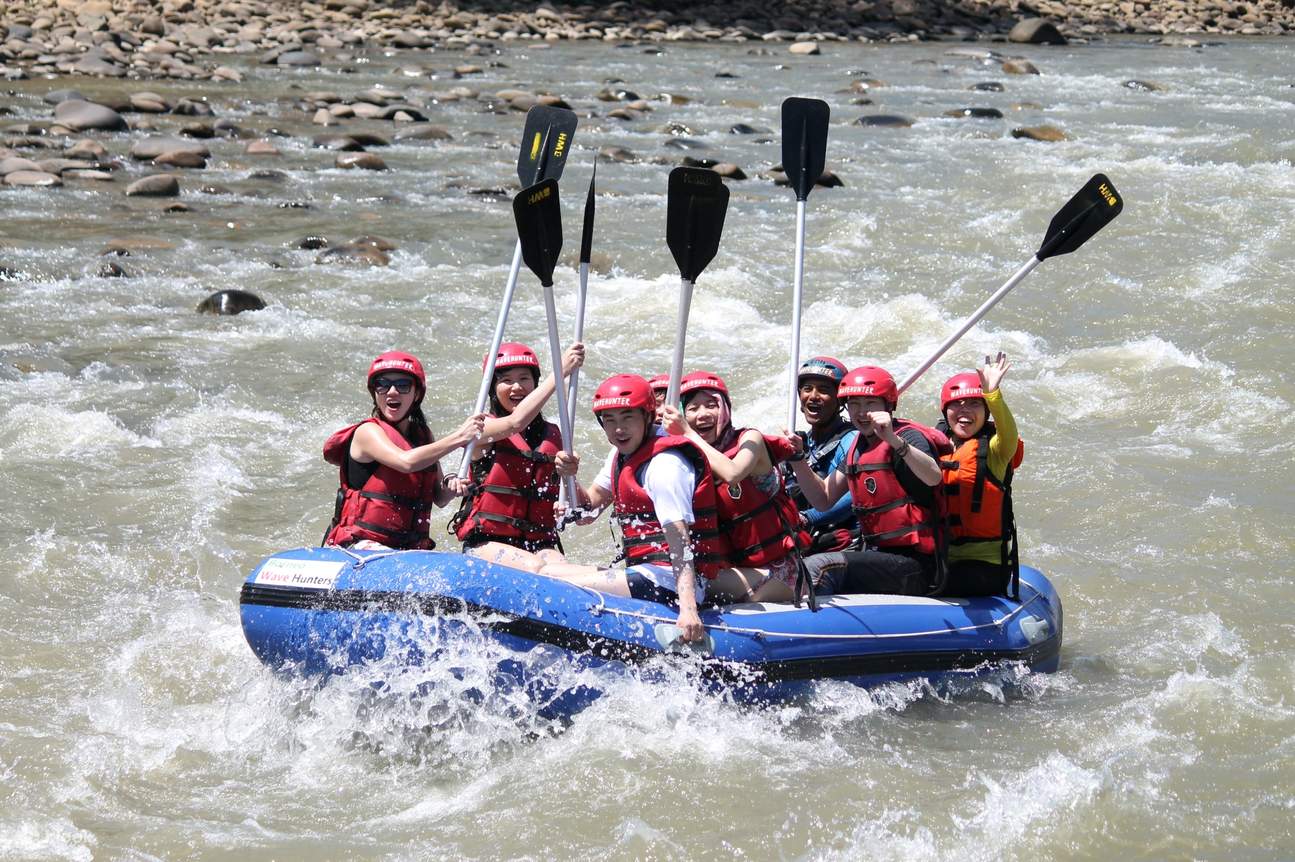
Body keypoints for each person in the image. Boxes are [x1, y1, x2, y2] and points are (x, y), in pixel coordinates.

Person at [538, 374, 730, 642]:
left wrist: (688, 610)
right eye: (610, 420)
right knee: (542, 570)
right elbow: (588, 511)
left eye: (627, 417)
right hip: (645, 573)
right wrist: (569, 477)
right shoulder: (621, 454)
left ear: (648, 416)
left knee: (550, 582)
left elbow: (680, 539)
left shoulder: (665, 465)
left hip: (672, 581)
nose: (619, 429)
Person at [787, 366, 953, 596]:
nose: (862, 412)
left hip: (917, 564)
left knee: (819, 567)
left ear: (888, 406)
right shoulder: (859, 446)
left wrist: (894, 440)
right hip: (878, 554)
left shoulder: (907, 436)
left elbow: (933, 477)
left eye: (870, 403)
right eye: (854, 404)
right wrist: (797, 458)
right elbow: (823, 499)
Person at [660, 371, 810, 603]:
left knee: (693, 586)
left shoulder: (750, 439)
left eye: (711, 405)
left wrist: (687, 433)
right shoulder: (685, 459)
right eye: (693, 408)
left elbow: (733, 473)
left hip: (779, 571)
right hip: (733, 570)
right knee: (673, 580)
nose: (703, 414)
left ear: (726, 409)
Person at [323, 351, 486, 550]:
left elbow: (440, 498)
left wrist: (452, 486)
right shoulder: (367, 432)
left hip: (406, 549)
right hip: (358, 546)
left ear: (416, 394)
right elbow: (406, 462)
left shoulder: (422, 436)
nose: (392, 392)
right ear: (374, 392)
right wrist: (460, 436)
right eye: (382, 384)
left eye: (403, 385)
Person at [450, 341, 585, 572]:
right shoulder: (481, 429)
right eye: (506, 380)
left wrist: (568, 476)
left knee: (565, 569)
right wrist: (560, 372)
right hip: (486, 543)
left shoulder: (553, 434)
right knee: (535, 567)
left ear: (534, 383)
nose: (517, 387)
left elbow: (581, 510)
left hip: (539, 543)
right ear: (492, 388)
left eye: (524, 378)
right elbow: (515, 423)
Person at [936, 352, 1024, 597]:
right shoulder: (933, 446)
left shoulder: (997, 449)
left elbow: (1009, 432)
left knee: (931, 584)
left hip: (985, 566)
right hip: (940, 556)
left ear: (986, 412)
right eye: (956, 404)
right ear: (945, 411)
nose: (964, 410)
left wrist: (992, 394)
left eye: (974, 404)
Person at [781, 356, 859, 553]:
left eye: (823, 390)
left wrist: (807, 518)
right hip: (806, 539)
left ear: (839, 399)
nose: (813, 396)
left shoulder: (853, 440)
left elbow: (856, 494)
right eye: (807, 389)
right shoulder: (801, 442)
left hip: (844, 541)